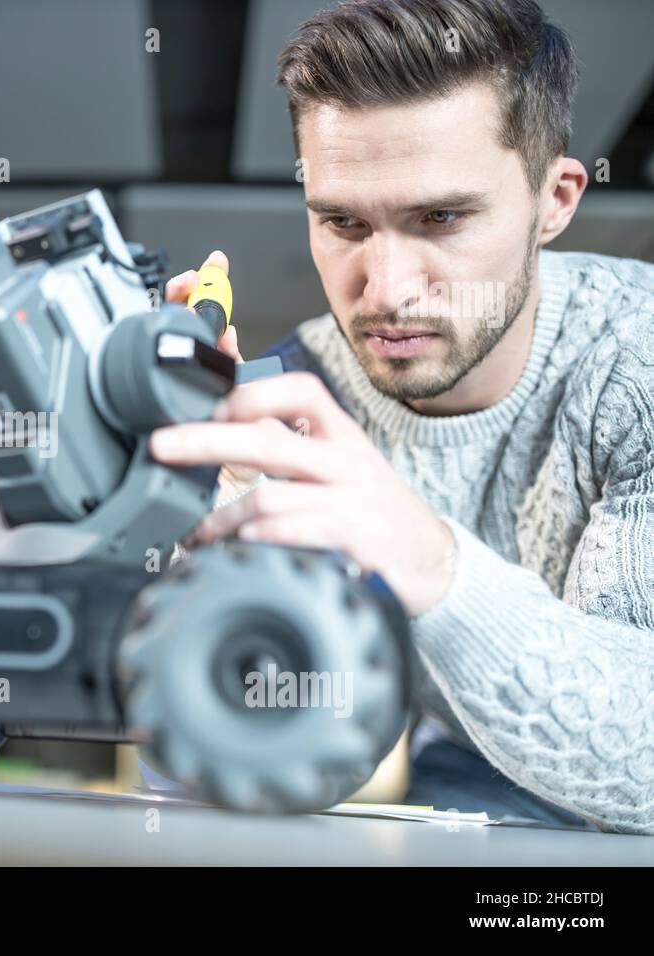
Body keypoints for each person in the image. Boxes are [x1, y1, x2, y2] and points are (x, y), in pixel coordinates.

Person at [151, 0, 653, 833]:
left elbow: (643, 767)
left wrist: (431, 564)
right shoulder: (297, 393)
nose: (385, 291)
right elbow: (309, 768)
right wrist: (242, 563)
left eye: (442, 218)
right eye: (343, 222)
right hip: (471, 780)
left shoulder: (636, 364)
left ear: (555, 199)